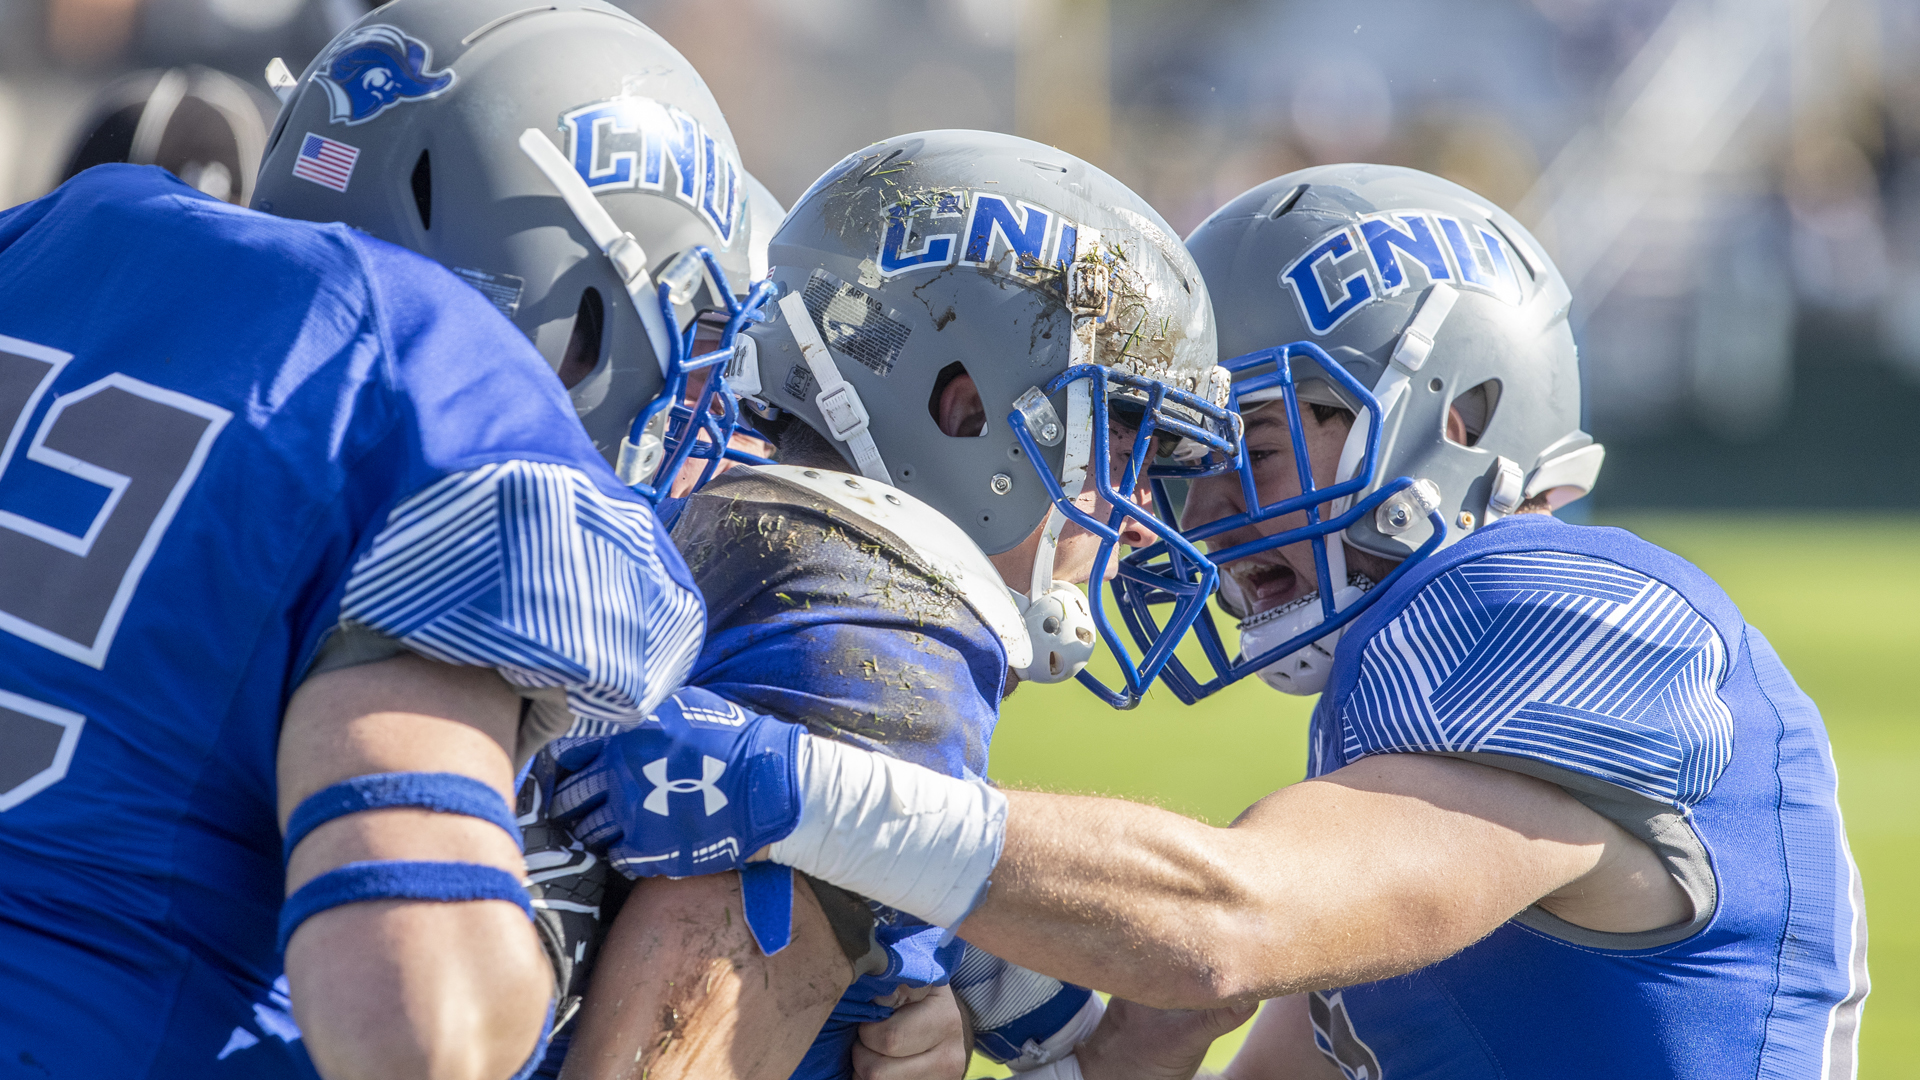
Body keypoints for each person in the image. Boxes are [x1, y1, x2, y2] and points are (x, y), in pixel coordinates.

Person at [559, 165, 1868, 1080]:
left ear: (1454, 415)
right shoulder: (1403, 750)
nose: (1211, 506)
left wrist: (811, 790)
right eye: (1188, 462)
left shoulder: (1551, 599)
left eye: (1255, 437)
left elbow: (1229, 920)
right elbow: (1189, 1022)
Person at [544, 128, 1240, 1080]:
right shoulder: (880, 637)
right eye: (1120, 444)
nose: (1142, 515)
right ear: (965, 409)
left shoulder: (744, 533)